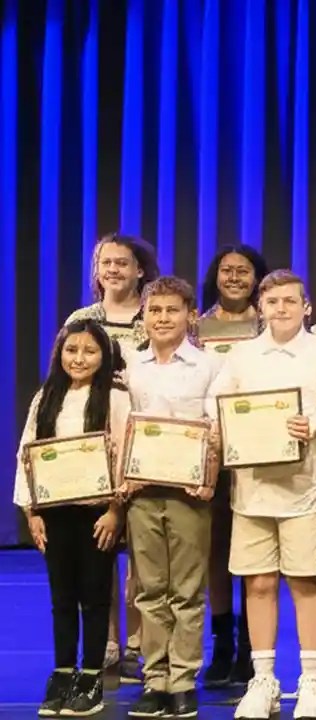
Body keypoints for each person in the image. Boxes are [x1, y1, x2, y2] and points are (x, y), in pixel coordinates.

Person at [205, 270, 316, 719]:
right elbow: (218, 408)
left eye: (291, 301)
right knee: (259, 581)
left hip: (306, 487)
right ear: (261, 306)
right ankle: (263, 679)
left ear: (306, 306)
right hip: (252, 487)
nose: (282, 309)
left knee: (305, 580)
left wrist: (313, 423)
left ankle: (312, 680)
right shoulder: (242, 356)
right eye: (273, 302)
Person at [16, 319, 131, 716]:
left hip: (97, 514)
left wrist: (116, 510)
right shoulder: (46, 397)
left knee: (95, 597)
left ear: (104, 357)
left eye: (89, 351)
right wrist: (32, 512)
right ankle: (63, 672)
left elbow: (126, 457)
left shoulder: (115, 398)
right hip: (55, 512)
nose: (79, 358)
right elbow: (26, 455)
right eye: (71, 350)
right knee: (61, 597)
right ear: (59, 353)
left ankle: (92, 676)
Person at [118, 277, 219, 718]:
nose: (162, 318)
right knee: (149, 589)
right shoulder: (131, 368)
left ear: (190, 315)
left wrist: (208, 479)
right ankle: (154, 678)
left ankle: (183, 679)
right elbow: (120, 429)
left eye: (172, 310)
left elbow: (215, 432)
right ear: (144, 317)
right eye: (154, 311)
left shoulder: (208, 366)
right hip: (142, 493)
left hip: (189, 494)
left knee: (187, 591)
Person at [65, 232, 159, 684]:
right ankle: (106, 644)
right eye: (107, 262)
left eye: (124, 263)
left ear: (140, 269)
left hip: (145, 440)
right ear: (96, 269)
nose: (115, 270)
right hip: (92, 445)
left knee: (141, 552)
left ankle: (138, 647)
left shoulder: (156, 314)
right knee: (100, 548)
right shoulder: (82, 319)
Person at [197, 243, 269, 688]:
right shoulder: (195, 326)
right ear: (216, 276)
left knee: (254, 550)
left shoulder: (271, 325)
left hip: (260, 449)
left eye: (244, 271)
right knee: (216, 547)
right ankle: (222, 641)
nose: (235, 277)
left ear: (257, 278)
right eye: (227, 270)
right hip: (211, 449)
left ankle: (249, 644)